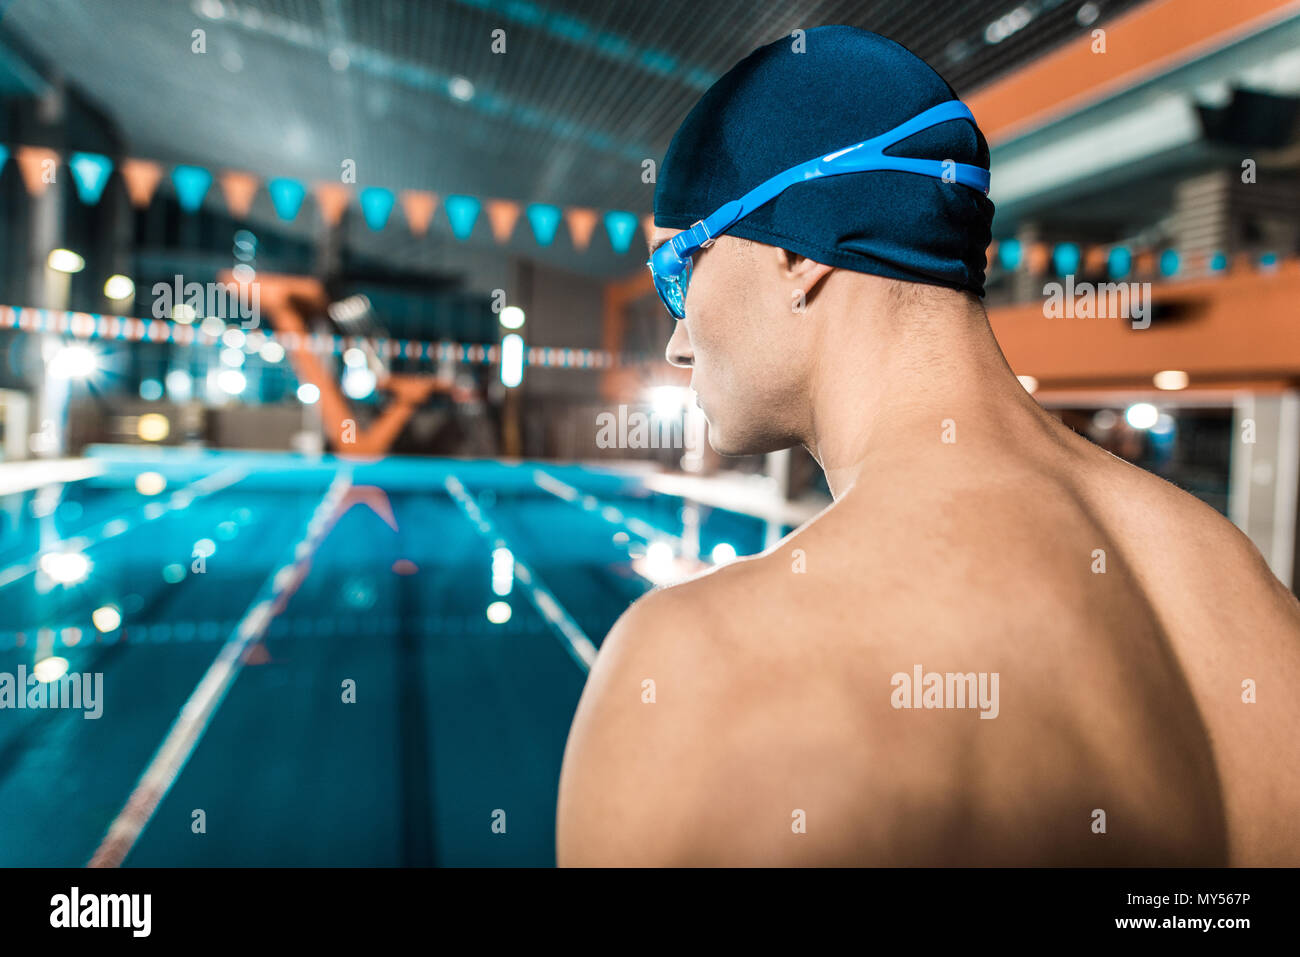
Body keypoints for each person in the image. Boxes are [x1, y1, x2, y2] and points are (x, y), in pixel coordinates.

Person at [556, 25, 1300, 866]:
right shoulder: (1248, 600)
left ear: (798, 250)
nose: (676, 342)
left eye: (676, 275)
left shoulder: (699, 665)